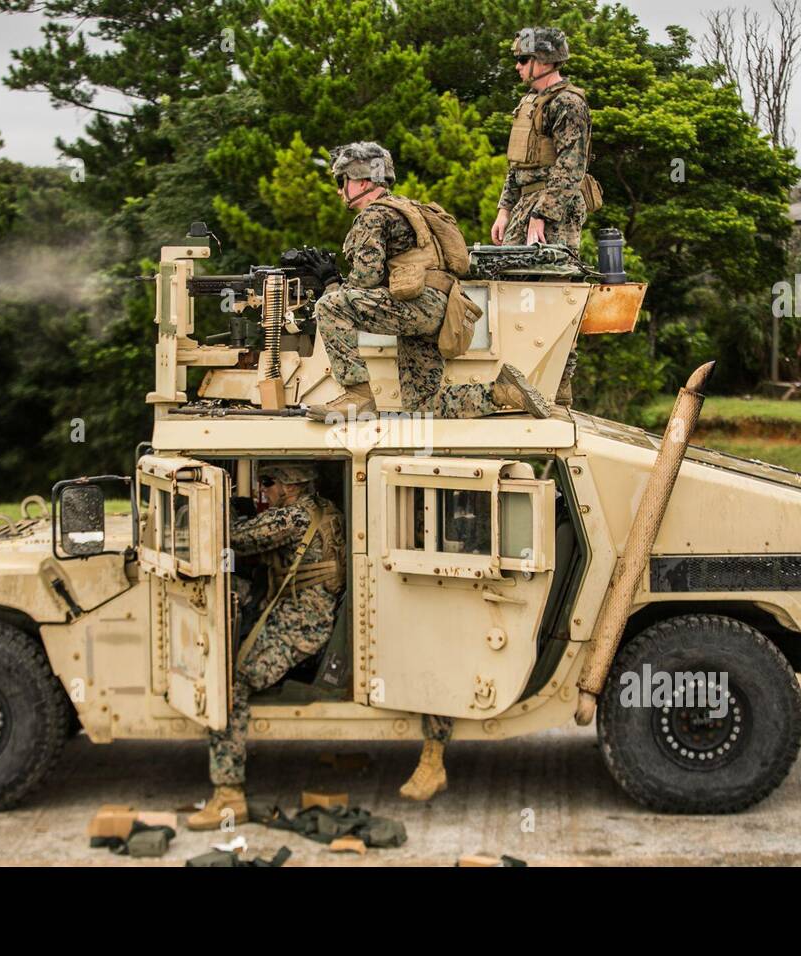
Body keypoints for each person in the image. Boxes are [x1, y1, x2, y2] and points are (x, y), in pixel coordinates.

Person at [310, 141, 550, 421]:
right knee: (424, 405)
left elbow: (366, 279)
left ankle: (358, 396)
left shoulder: (373, 215)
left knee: (330, 306)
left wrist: (331, 283)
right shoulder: (408, 208)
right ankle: (501, 392)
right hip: (441, 310)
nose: (340, 190)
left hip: (416, 306)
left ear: (362, 182)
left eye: (343, 181)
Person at [187, 462, 347, 830]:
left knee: (231, 685)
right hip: (307, 608)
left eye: (268, 483)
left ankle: (229, 794)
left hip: (302, 622)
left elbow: (234, 537)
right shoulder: (323, 509)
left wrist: (215, 505)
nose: (264, 491)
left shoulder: (291, 518)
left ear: (290, 487)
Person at [490, 26, 593, 407]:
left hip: (555, 211)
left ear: (545, 61)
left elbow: (570, 167)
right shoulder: (531, 102)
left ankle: (558, 386)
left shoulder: (569, 103)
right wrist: (505, 209)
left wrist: (543, 216)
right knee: (513, 293)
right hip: (523, 206)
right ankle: (521, 380)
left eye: (523, 59)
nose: (517, 67)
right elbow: (518, 165)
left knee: (554, 293)